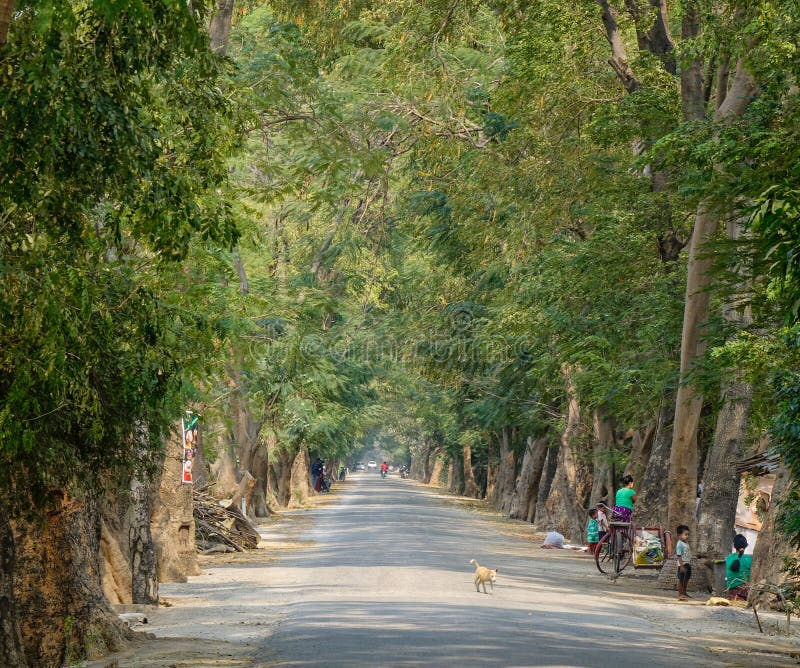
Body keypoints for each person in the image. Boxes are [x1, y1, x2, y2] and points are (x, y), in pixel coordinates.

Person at [726, 534, 752, 600]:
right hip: (743, 593)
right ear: (745, 546)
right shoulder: (749, 559)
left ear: (734, 546)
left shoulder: (729, 558)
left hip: (730, 592)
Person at [675, 524, 692, 601]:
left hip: (688, 563)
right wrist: (681, 566)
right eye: (685, 534)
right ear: (679, 535)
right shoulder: (679, 544)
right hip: (682, 564)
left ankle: (684, 592)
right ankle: (680, 594)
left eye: (688, 534)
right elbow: (679, 555)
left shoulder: (686, 543)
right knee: (681, 579)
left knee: (686, 579)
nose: (687, 536)